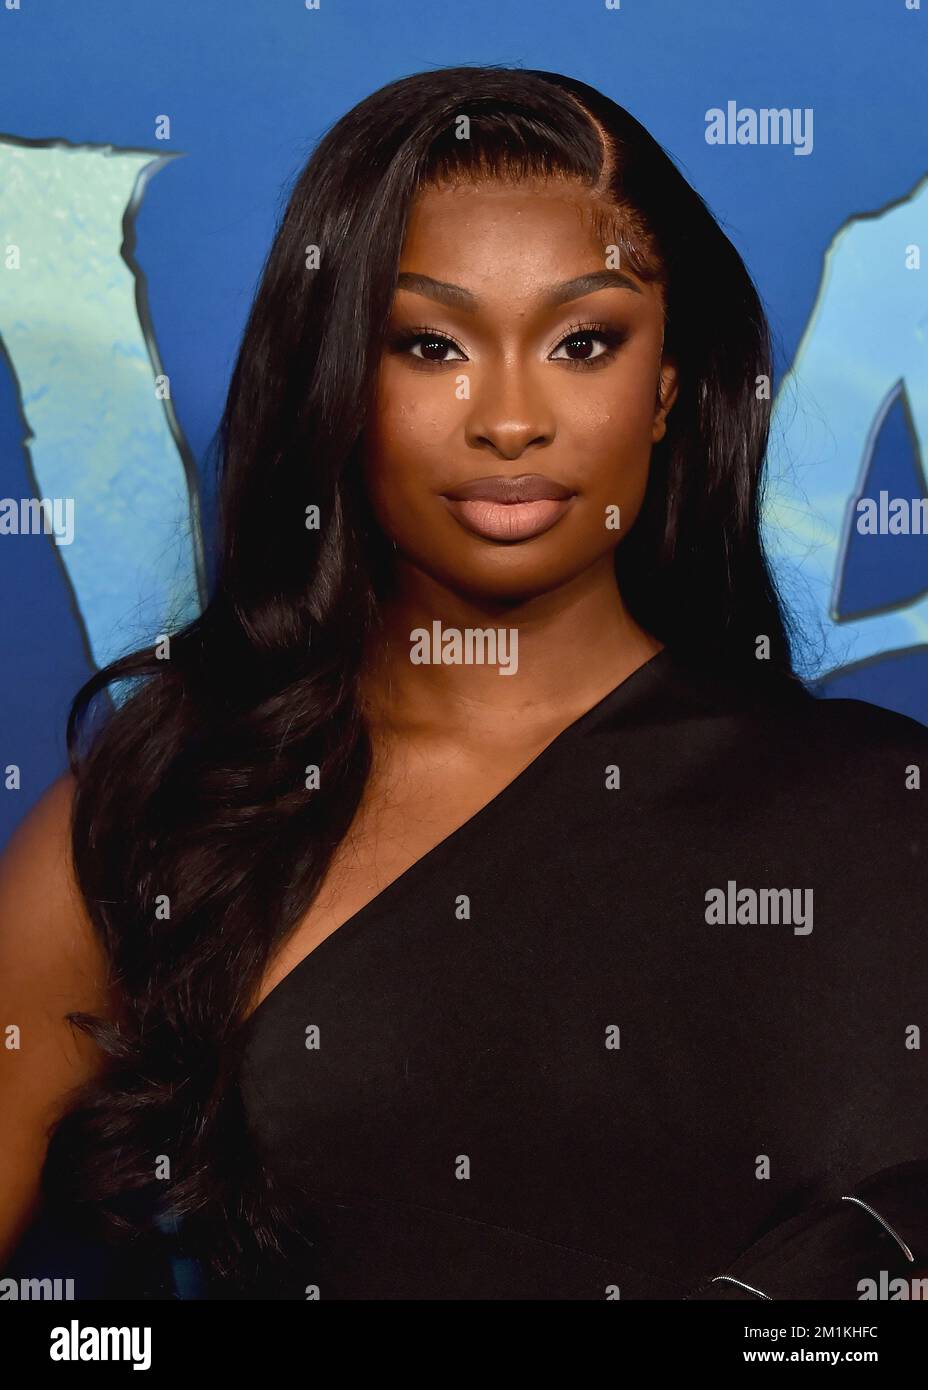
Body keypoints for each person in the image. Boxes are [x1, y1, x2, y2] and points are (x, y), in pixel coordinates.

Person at [1, 65, 925, 1301]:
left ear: (664, 386)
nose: (507, 418)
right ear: (339, 377)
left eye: (582, 341)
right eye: (429, 343)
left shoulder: (884, 814)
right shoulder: (157, 825)